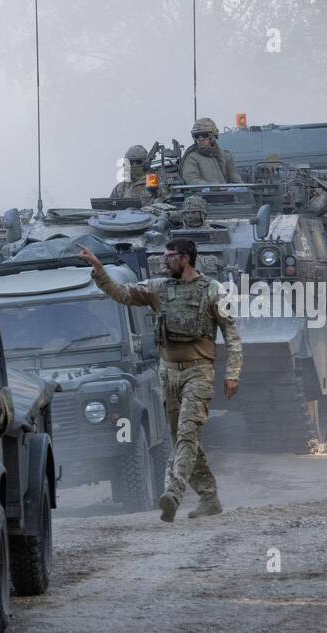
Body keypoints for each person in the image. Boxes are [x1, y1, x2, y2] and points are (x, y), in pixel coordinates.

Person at [77, 239, 241, 522]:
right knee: (182, 438)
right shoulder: (158, 289)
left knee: (188, 433)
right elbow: (121, 293)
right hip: (168, 372)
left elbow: (232, 334)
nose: (165, 261)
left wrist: (232, 373)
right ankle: (209, 498)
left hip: (199, 371)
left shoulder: (214, 290)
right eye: (164, 256)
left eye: (171, 256)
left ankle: (173, 493)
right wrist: (99, 269)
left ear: (187, 258)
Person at [180, 118, 239, 185]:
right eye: (197, 136)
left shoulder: (225, 155)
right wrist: (211, 187)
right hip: (203, 194)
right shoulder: (192, 157)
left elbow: (236, 180)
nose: (200, 139)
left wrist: (242, 189)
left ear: (213, 136)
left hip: (226, 194)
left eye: (204, 135)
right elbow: (191, 179)